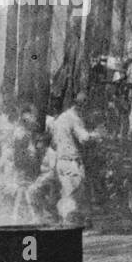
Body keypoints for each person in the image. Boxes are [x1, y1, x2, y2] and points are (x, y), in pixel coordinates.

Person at [50, 91, 95, 227]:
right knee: (75, 194)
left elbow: (53, 142)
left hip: (60, 161)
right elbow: (85, 138)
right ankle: (70, 225)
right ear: (82, 106)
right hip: (72, 161)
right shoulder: (74, 118)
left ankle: (67, 222)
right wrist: (97, 135)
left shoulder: (59, 119)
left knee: (67, 192)